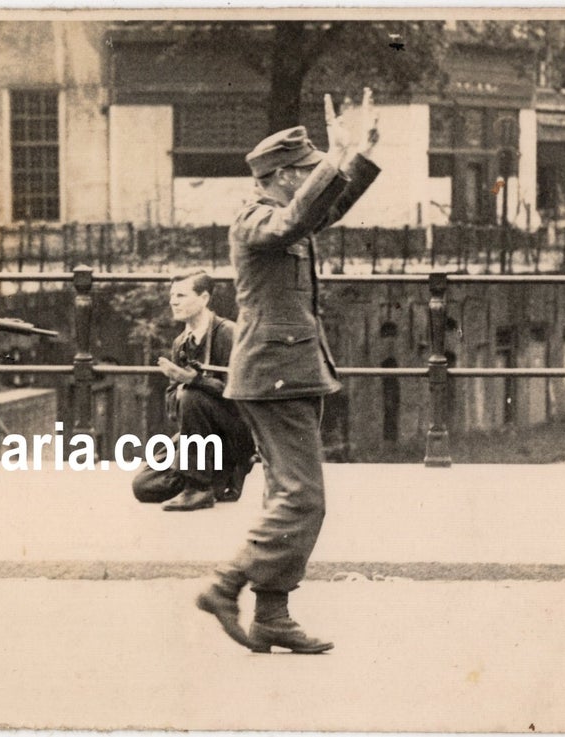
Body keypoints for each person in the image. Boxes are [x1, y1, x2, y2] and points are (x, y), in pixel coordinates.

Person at [196, 89, 382, 654]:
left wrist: (357, 157)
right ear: (280, 177)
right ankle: (226, 585)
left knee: (286, 494)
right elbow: (298, 219)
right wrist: (336, 154)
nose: (309, 182)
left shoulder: (284, 213)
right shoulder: (256, 220)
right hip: (273, 373)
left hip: (289, 369)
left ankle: (272, 615)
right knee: (304, 499)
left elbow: (324, 209)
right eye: (303, 172)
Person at [132, 271, 255, 510]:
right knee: (143, 485)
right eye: (171, 295)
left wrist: (195, 382)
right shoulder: (181, 343)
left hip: (232, 434)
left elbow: (243, 394)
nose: (173, 301)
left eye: (181, 295)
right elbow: (171, 405)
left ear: (204, 298)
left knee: (192, 395)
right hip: (196, 436)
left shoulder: (229, 333)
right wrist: (180, 389)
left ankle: (199, 487)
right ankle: (217, 478)